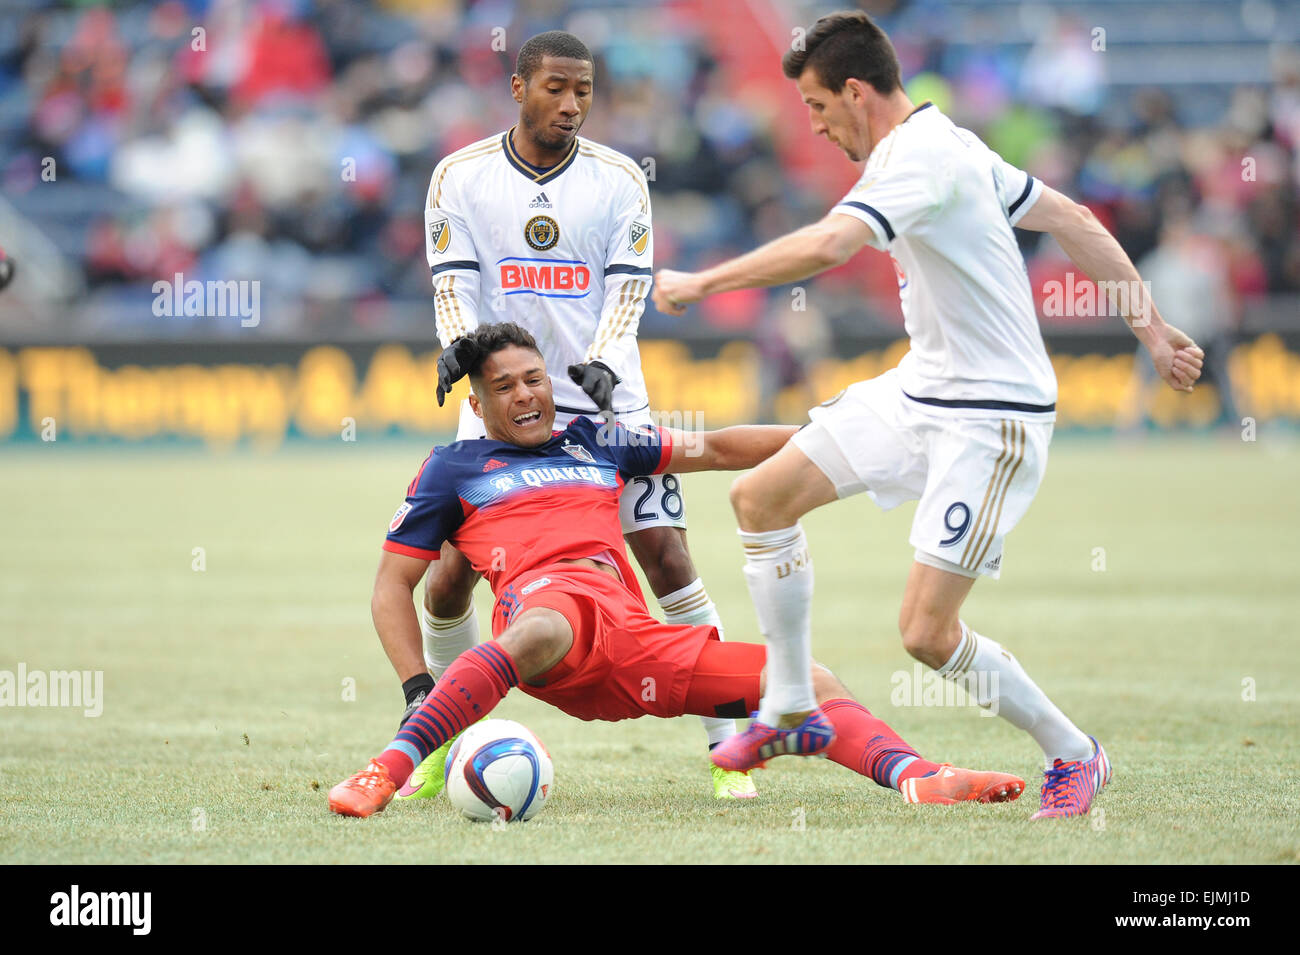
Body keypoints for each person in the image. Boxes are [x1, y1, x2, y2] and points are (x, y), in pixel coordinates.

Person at [652, 11, 1205, 819]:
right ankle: (796, 706)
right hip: (923, 390)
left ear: (853, 90)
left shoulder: (916, 162)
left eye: (815, 107)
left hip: (994, 416)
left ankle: (1075, 752)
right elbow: (1075, 220)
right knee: (759, 497)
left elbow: (831, 247)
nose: (815, 125)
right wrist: (1150, 329)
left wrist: (702, 283)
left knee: (926, 634)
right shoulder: (952, 144)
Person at [328, 322, 1026, 818]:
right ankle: (389, 766)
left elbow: (720, 447)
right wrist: (419, 686)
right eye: (503, 387)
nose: (524, 395)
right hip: (548, 622)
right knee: (542, 622)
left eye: (534, 378)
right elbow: (393, 585)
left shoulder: (597, 440)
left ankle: (918, 776)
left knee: (808, 678)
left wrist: (852, 440)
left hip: (633, 640)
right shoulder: (453, 468)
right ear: (476, 404)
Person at [405, 32, 752, 800]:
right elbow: (451, 282)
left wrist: (601, 356)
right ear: (519, 87)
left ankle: (733, 752)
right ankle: (440, 740)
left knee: (666, 558)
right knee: (449, 580)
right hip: (504, 402)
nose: (571, 104)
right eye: (556, 88)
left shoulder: (620, 177)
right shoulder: (458, 176)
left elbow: (630, 285)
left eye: (584, 91)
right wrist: (460, 349)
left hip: (606, 401)